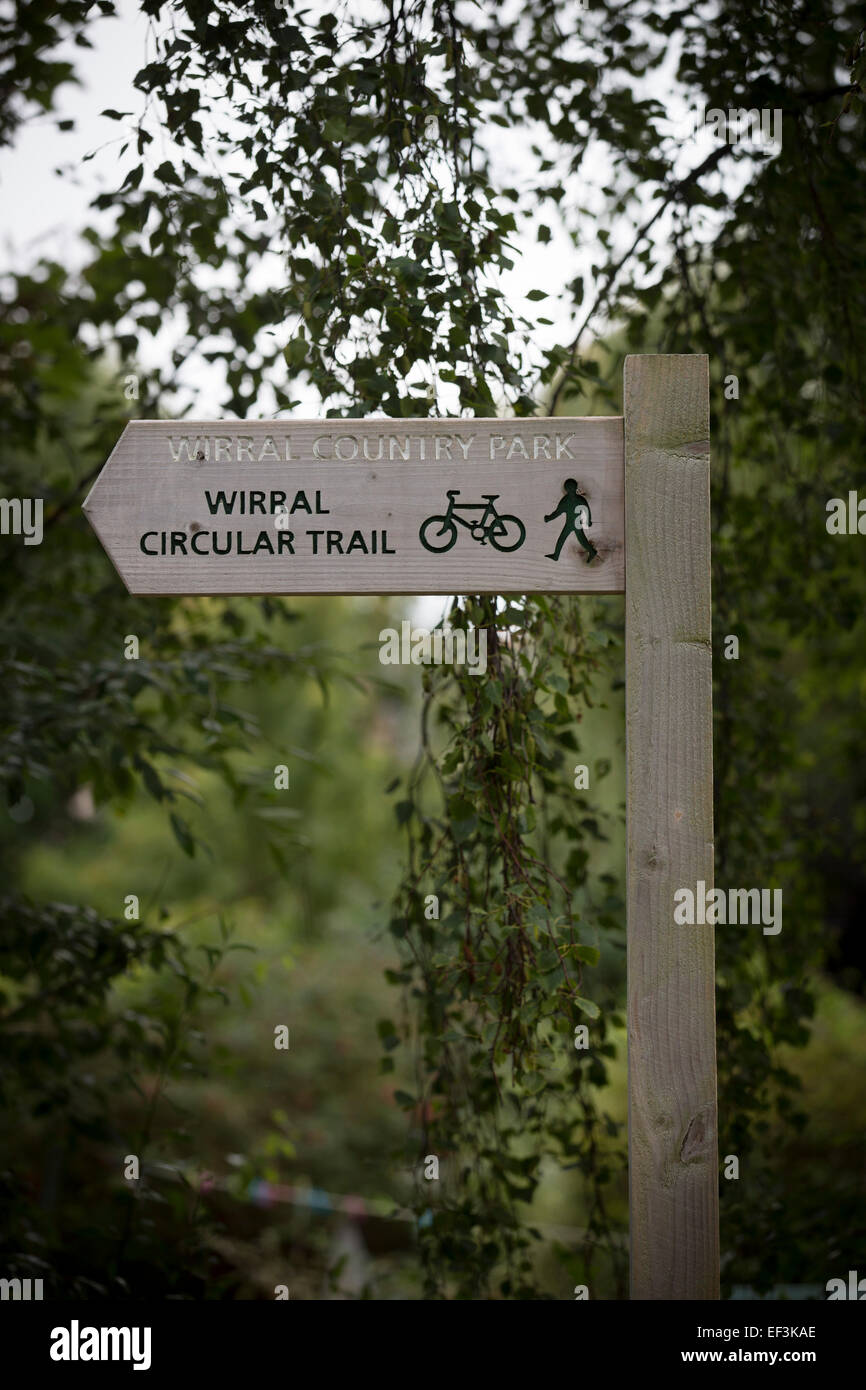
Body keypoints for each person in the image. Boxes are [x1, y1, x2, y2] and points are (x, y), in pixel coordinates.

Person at [544, 479, 597, 561]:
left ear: (566, 489)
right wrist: (588, 521)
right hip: (575, 524)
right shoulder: (580, 500)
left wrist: (549, 518)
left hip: (571, 524)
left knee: (565, 538)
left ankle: (556, 555)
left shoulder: (565, 501)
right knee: (580, 540)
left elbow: (557, 513)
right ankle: (556, 555)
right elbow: (586, 510)